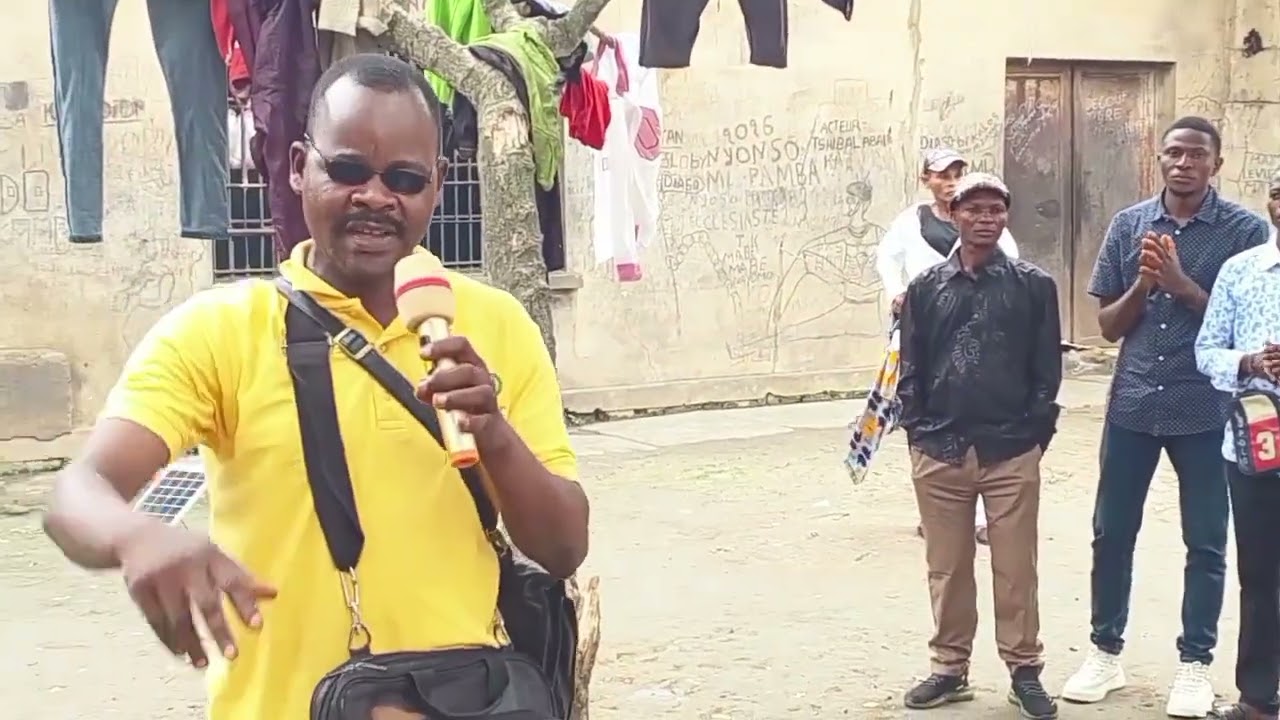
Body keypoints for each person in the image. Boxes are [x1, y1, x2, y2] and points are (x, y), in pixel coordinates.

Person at [40, 54, 589, 719]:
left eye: (406, 179)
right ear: (299, 165)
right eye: (349, 169)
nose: (376, 198)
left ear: (438, 186)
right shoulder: (220, 331)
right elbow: (77, 491)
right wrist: (139, 538)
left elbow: (563, 547)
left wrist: (495, 434)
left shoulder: (498, 324)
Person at [1061, 115, 1270, 717]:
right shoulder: (1130, 225)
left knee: (1205, 541)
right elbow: (1106, 327)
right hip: (1132, 402)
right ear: (1162, 159)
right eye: (1174, 154)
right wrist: (1146, 283)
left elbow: (1244, 332)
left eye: (1196, 155)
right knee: (1111, 532)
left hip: (1207, 408)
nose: (1183, 164)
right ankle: (1105, 650)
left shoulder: (1244, 232)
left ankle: (1194, 664)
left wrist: (1181, 284)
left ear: (1216, 164)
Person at [897, 172, 1062, 719]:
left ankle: (1024, 670)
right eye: (974, 209)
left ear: (1006, 216)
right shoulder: (924, 289)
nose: (985, 218)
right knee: (947, 566)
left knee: (1016, 567)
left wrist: (1035, 436)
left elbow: (1046, 370)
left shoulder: (1032, 285)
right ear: (955, 214)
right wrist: (918, 431)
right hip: (940, 448)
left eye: (996, 209)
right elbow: (911, 367)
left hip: (1010, 449)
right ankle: (949, 667)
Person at [876, 147, 1021, 545]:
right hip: (923, 330)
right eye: (942, 174)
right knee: (923, 417)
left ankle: (977, 516)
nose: (950, 180)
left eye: (957, 172)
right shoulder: (911, 222)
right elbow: (887, 258)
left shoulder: (979, 218)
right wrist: (896, 292)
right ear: (927, 180)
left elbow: (1011, 261)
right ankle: (933, 511)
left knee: (975, 415)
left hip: (975, 332)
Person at [1196, 169, 1280, 720]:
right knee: (1261, 573)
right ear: (1271, 203)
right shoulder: (1242, 271)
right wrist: (1249, 362)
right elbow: (1206, 353)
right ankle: (1258, 697)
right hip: (1256, 443)